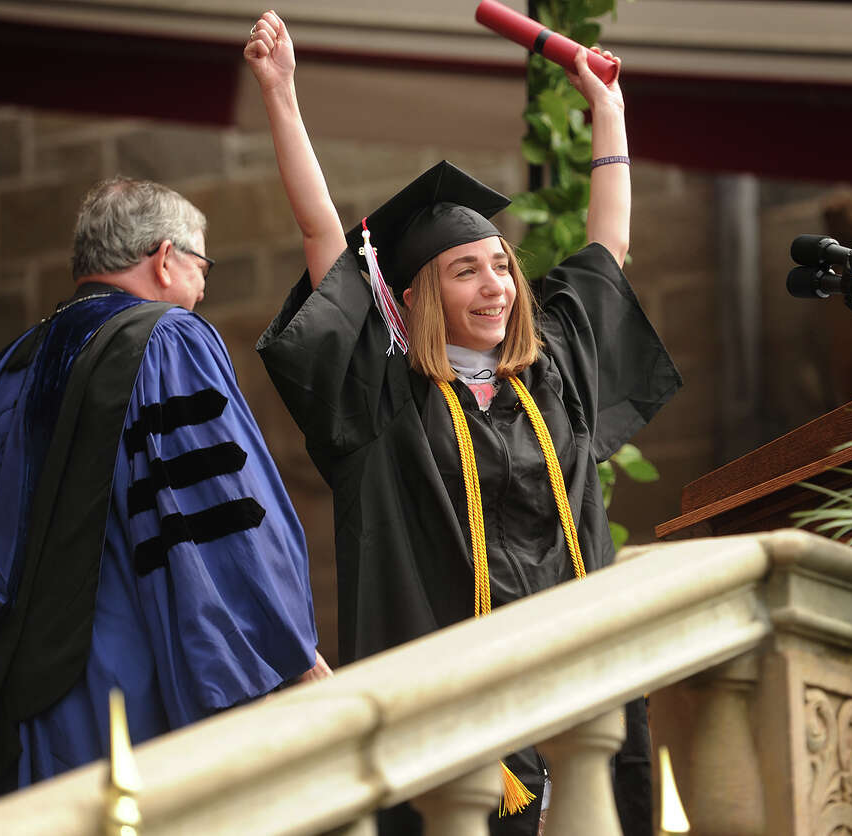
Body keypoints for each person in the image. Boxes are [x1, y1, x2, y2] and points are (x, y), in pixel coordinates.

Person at [245, 10, 680, 836]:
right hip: (455, 700)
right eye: (465, 271)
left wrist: (611, 112)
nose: (497, 286)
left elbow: (609, 249)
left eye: (502, 267)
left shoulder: (555, 373)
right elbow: (322, 239)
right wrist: (281, 94)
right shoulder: (382, 398)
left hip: (573, 682)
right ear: (419, 297)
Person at [0, 176, 329, 816]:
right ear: (166, 259)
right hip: (127, 686)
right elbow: (219, 515)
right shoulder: (166, 339)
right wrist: (288, 650)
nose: (202, 289)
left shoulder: (13, 362)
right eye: (202, 267)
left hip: (18, 703)